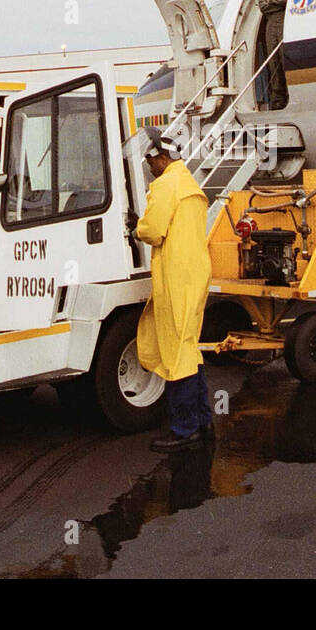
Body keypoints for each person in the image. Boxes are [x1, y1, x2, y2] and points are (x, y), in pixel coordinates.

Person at [133, 127, 214, 451]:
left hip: (178, 276)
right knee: (189, 347)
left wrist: (135, 228)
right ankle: (204, 421)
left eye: (151, 161)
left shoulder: (166, 184)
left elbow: (152, 230)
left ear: (162, 158)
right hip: (195, 273)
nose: (150, 167)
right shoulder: (188, 182)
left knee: (177, 351)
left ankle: (185, 429)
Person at [255, 0, 292, 110]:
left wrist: (272, 2)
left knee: (285, 60)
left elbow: (289, 0)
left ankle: (289, 96)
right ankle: (277, 100)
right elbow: (262, 5)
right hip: (271, 23)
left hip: (284, 21)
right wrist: (277, 2)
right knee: (273, 61)